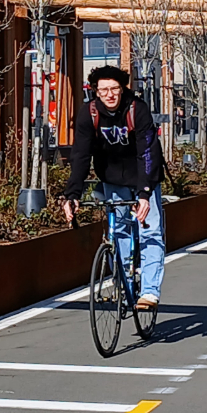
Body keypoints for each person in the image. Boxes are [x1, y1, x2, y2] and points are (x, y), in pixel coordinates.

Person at [61, 65, 166, 310]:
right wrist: (72, 195)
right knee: (119, 232)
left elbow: (148, 153)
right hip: (112, 180)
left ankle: (149, 292)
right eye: (104, 90)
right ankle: (126, 285)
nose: (109, 95)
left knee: (150, 232)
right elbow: (80, 155)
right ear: (95, 92)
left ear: (122, 89)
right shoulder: (89, 114)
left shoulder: (136, 110)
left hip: (144, 177)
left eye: (115, 89)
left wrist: (145, 194)